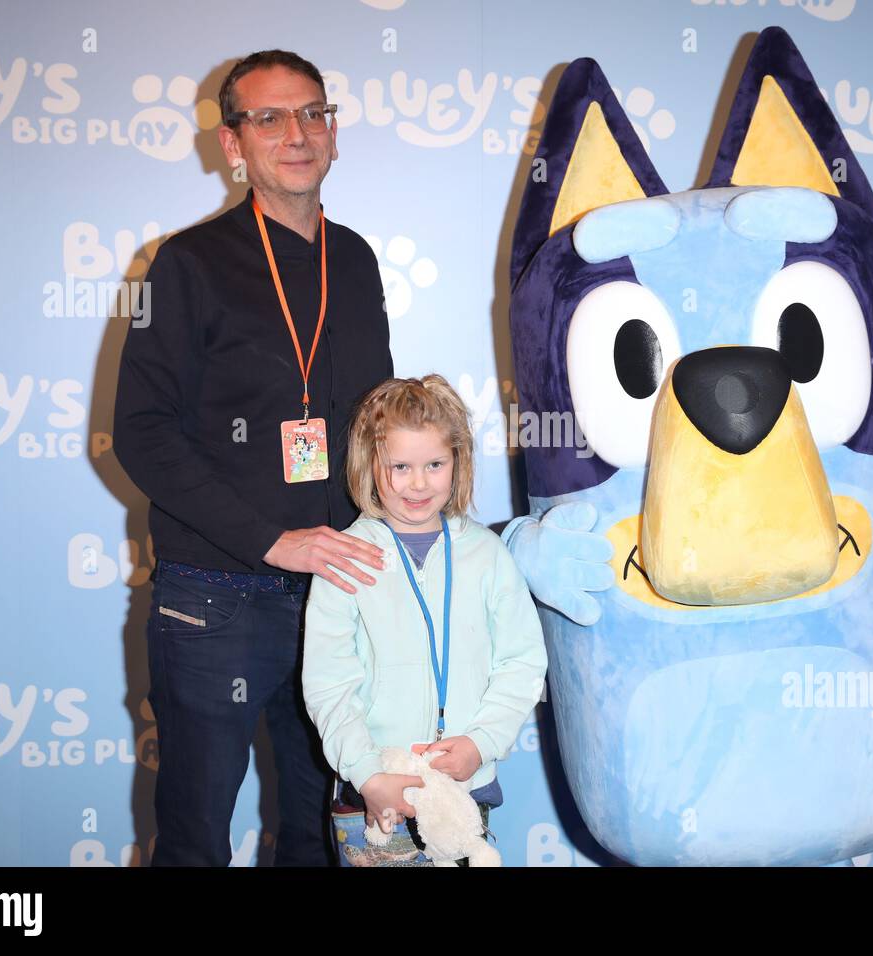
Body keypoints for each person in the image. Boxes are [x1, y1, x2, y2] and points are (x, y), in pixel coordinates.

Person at [113, 49, 393, 866]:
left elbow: (377, 424)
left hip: (337, 599)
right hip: (217, 601)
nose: (296, 133)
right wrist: (273, 540)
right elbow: (143, 432)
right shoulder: (187, 264)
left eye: (312, 113)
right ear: (233, 146)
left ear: (333, 134)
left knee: (319, 833)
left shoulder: (358, 259)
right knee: (197, 840)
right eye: (268, 117)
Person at [302, 375, 548, 866]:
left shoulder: (487, 554)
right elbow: (329, 683)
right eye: (401, 466)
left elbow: (523, 663)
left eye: (434, 464)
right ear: (371, 465)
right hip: (373, 797)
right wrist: (367, 773)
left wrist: (481, 744)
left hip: (463, 792)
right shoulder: (346, 558)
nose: (418, 483)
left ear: (458, 462)